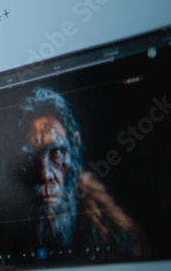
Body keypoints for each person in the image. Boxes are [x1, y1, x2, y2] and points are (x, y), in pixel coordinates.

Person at [15, 88, 147, 256]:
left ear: (75, 146)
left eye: (56, 153)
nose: (46, 174)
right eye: (31, 158)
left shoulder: (113, 232)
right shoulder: (10, 221)